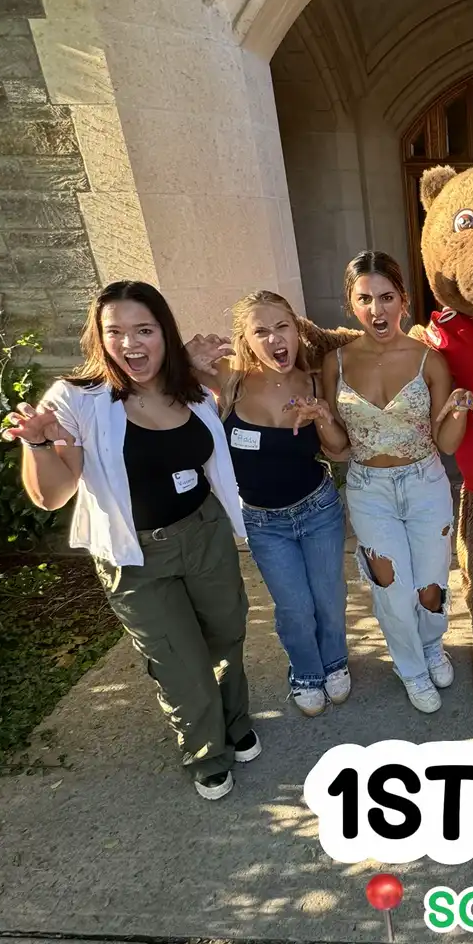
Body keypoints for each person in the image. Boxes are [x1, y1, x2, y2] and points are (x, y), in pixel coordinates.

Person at [0, 281, 256, 801]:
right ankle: (205, 750)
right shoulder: (77, 400)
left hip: (204, 534)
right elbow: (52, 494)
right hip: (137, 554)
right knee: (179, 660)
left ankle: (235, 719)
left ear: (165, 333)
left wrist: (192, 362)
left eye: (145, 330)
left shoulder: (184, 384)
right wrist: (41, 442)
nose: (131, 343)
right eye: (115, 332)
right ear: (98, 338)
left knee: (226, 633)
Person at [323, 251, 473, 714]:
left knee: (430, 582)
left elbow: (447, 444)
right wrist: (317, 421)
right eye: (365, 298)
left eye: (387, 297)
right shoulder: (336, 363)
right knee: (390, 586)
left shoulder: (429, 359)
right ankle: (410, 667)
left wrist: (460, 412)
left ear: (404, 301)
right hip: (369, 487)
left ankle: (432, 645)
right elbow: (336, 448)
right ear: (351, 304)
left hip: (424, 481)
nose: (377, 310)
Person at [187, 291, 353, 719]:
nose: (275, 338)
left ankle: (334, 661)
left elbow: (338, 451)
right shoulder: (230, 380)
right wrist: (189, 354)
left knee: (328, 596)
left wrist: (323, 417)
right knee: (295, 605)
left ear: (296, 331)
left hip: (318, 509)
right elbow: (170, 376)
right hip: (264, 522)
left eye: (282, 327)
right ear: (245, 338)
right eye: (261, 330)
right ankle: (306, 670)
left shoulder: (314, 381)